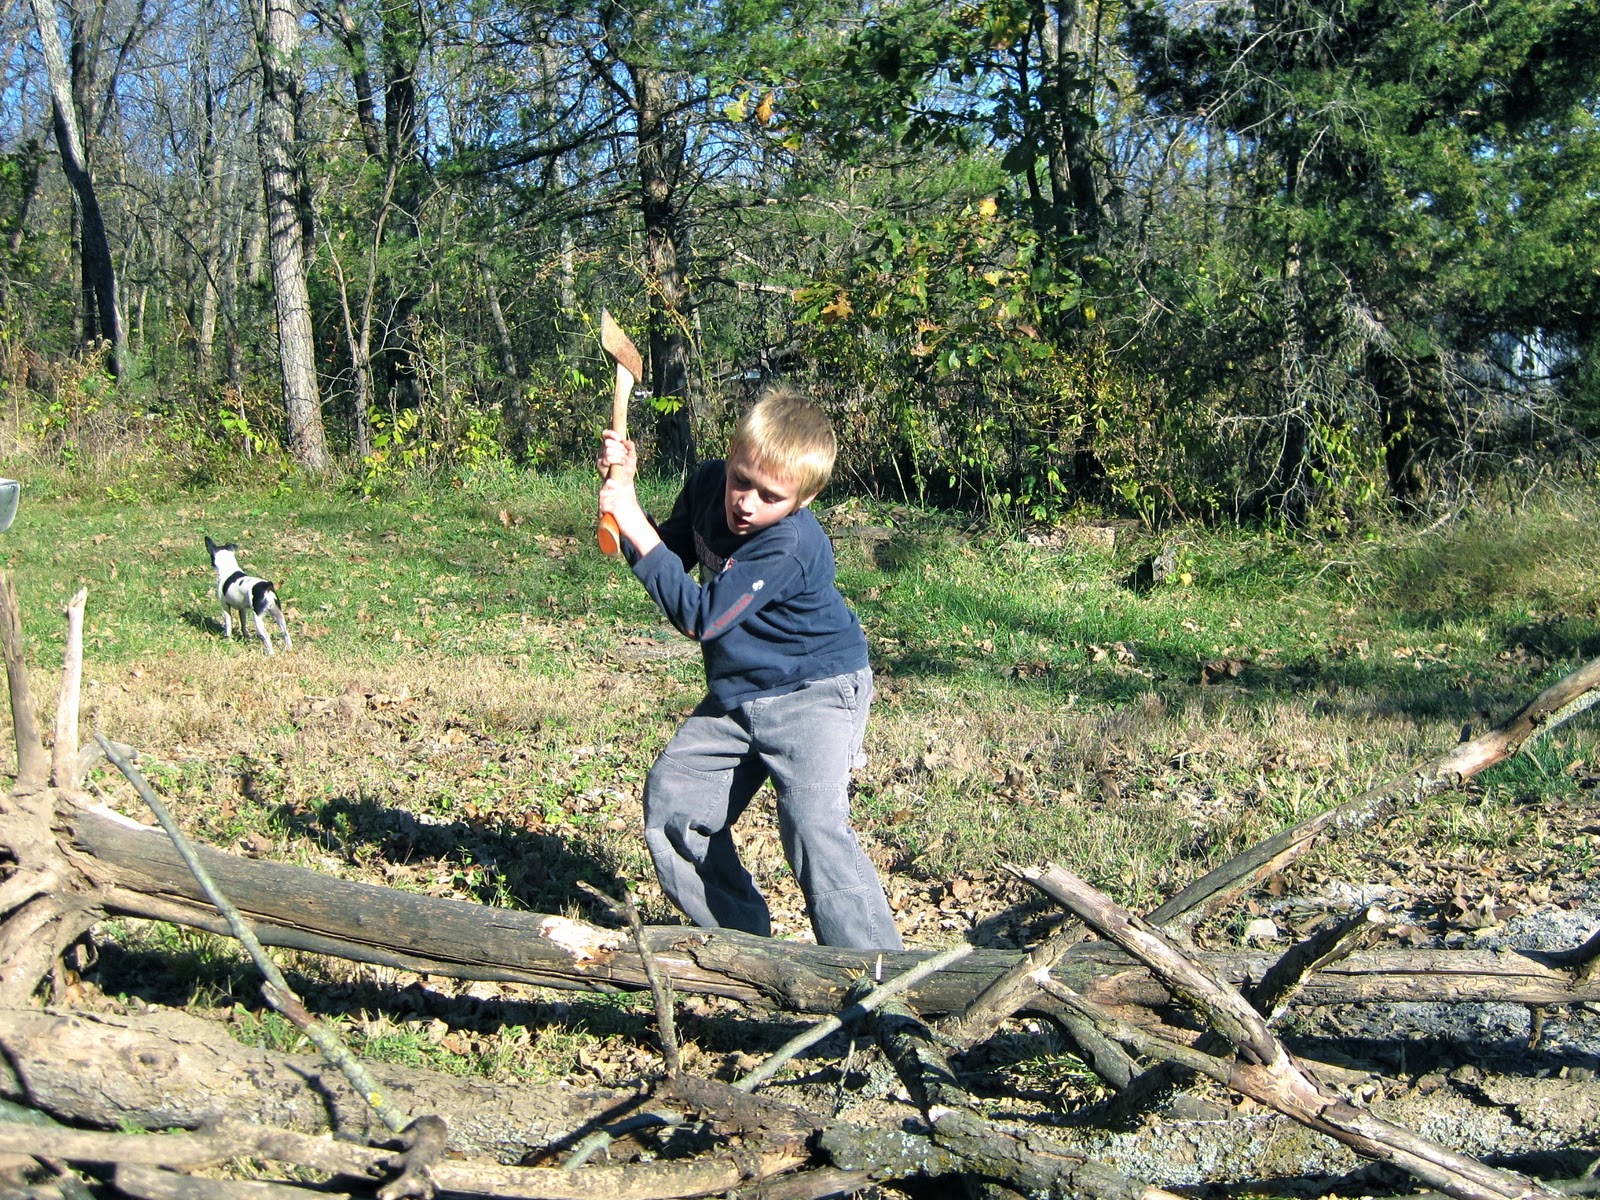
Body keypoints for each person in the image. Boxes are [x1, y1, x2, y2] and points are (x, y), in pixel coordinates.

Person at [596, 388, 904, 951]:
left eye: (770, 495)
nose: (746, 503)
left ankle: (880, 981)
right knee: (676, 804)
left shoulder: (787, 544)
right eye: (743, 480)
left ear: (805, 499)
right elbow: (668, 555)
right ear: (732, 455)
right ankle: (747, 952)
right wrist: (626, 497)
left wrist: (633, 519)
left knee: (813, 830)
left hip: (816, 693)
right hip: (739, 694)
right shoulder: (710, 485)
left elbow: (701, 617)